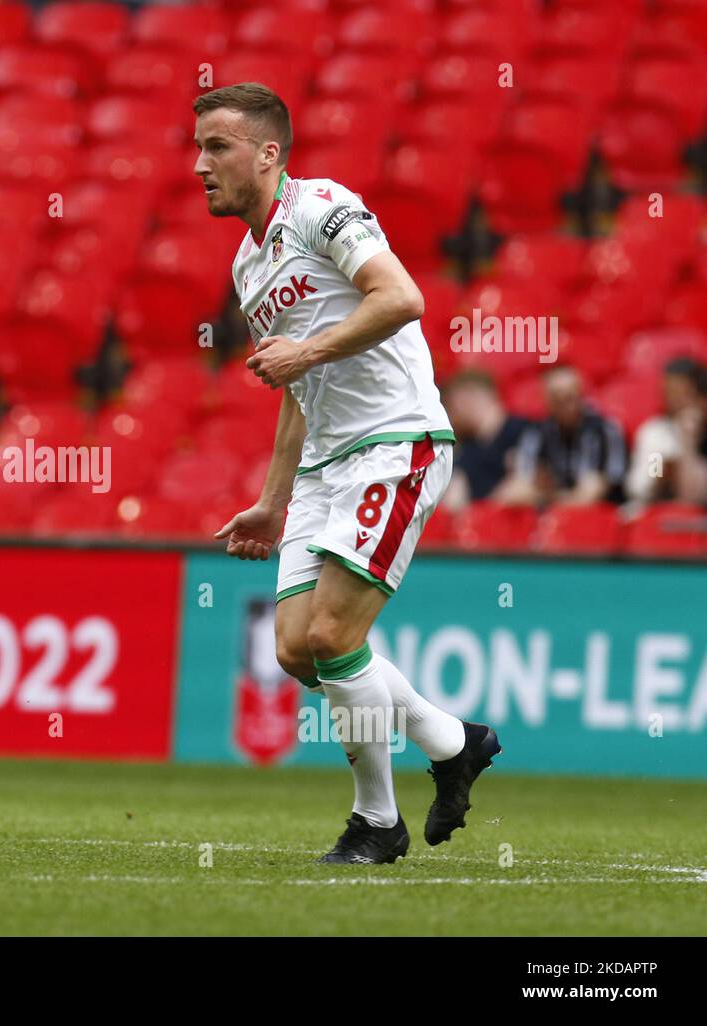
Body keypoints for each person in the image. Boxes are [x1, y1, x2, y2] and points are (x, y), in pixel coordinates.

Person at [201, 83, 500, 865]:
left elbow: (401, 297)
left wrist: (306, 350)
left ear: (269, 153)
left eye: (216, 147)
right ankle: (451, 740)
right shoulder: (247, 264)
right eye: (199, 147)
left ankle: (377, 822)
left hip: (396, 441)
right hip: (326, 465)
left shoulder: (322, 206)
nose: (200, 164)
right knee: (298, 651)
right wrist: (271, 501)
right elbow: (297, 387)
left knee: (334, 636)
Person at [499, 364, 626, 506]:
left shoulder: (604, 430)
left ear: (581, 395)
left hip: (599, 512)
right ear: (547, 400)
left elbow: (599, 487)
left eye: (569, 397)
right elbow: (521, 482)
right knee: (515, 491)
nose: (565, 405)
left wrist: (553, 498)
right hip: (553, 501)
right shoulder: (537, 432)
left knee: (591, 484)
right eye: (557, 399)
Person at [442, 369, 532, 512]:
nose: (451, 415)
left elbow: (526, 490)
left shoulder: (528, 433)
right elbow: (453, 502)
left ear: (465, 399)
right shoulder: (466, 450)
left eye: (452, 405)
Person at [625, 357, 707, 507]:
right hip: (659, 515)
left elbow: (696, 495)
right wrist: (660, 473)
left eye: (681, 393)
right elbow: (641, 485)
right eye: (668, 392)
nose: (672, 399)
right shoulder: (656, 434)